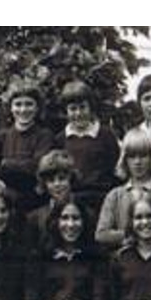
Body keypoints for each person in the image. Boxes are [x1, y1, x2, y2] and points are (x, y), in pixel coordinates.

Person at [24, 197, 110, 300]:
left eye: (76, 218)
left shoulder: (97, 257)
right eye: (64, 218)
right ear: (55, 221)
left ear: (84, 222)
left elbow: (99, 299)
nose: (70, 225)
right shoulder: (40, 257)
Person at [96, 130, 151, 251]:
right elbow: (101, 234)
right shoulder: (115, 195)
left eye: (143, 156)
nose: (137, 162)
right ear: (124, 160)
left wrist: (128, 235)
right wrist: (134, 233)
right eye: (132, 156)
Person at [54, 80, 120, 214]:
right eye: (73, 108)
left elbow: (115, 169)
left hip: (102, 200)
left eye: (82, 107)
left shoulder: (105, 135)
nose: (78, 113)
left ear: (91, 108)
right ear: (66, 111)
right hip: (71, 202)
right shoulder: (61, 139)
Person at [0, 81, 54, 212]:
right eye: (18, 104)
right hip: (5, 201)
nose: (23, 110)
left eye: (29, 104)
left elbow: (38, 167)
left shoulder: (44, 135)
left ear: (37, 107)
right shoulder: (4, 136)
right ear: (10, 108)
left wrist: (7, 164)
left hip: (35, 201)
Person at [23, 149, 79, 253]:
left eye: (62, 178)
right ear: (44, 184)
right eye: (51, 180)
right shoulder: (34, 218)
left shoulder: (86, 214)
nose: (57, 184)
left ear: (71, 179)